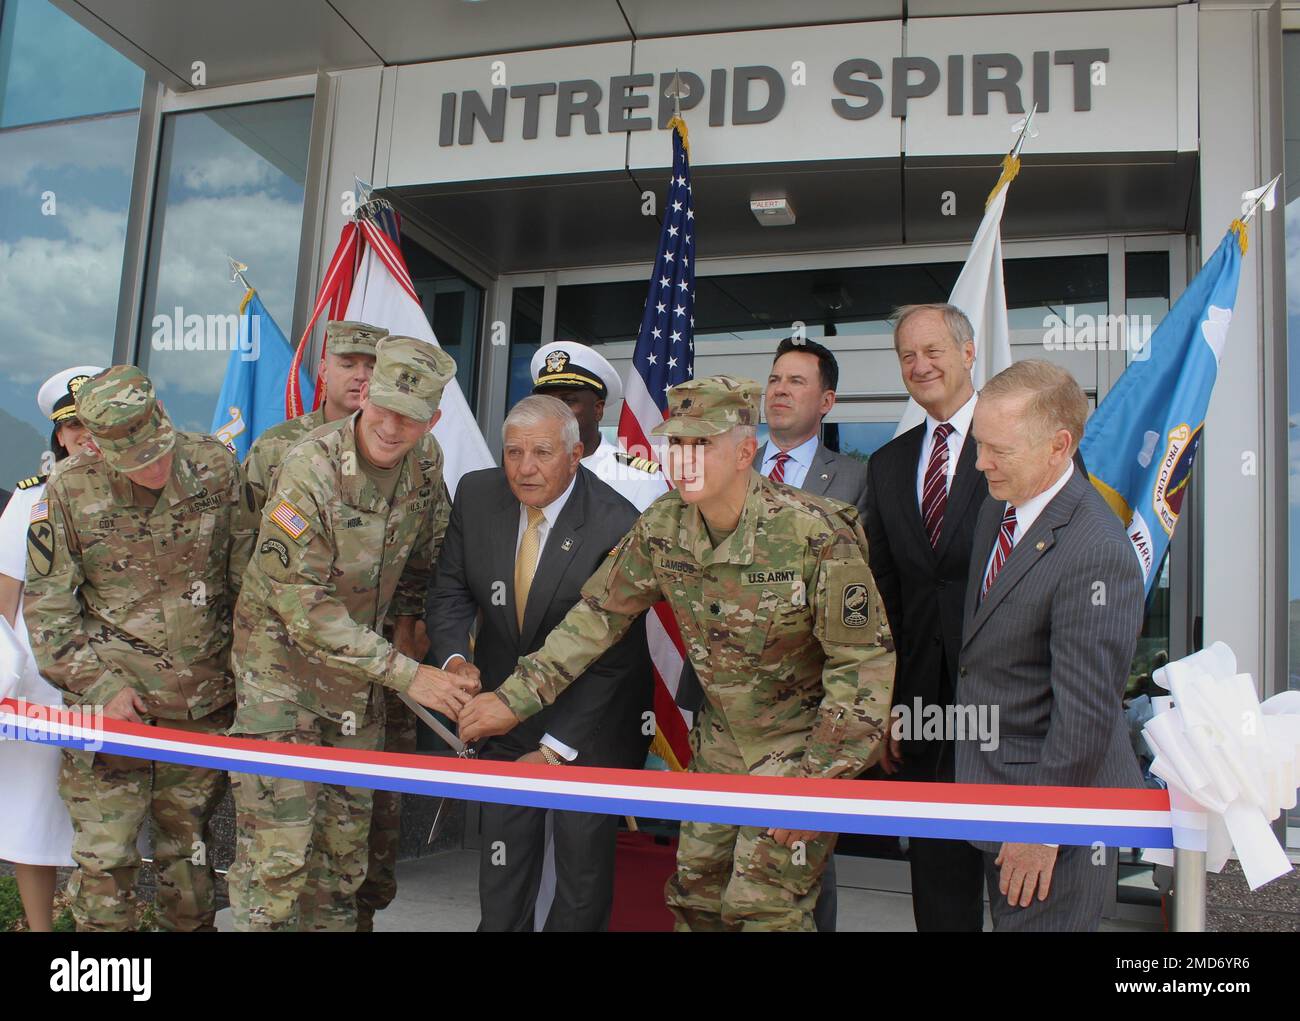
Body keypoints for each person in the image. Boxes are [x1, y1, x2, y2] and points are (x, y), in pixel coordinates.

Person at [459, 375, 894, 931]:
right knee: (697, 902)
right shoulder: (664, 525)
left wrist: (819, 784)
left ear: (744, 450)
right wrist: (514, 700)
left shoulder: (815, 533)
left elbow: (862, 666)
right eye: (676, 445)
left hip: (796, 754)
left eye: (702, 445)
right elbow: (597, 618)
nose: (684, 460)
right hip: (716, 751)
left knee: (764, 910)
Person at [226, 335, 475, 932]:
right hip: (280, 686)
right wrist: (408, 672)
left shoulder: (428, 460)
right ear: (364, 396)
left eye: (411, 418)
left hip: (357, 690)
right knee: (276, 870)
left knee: (342, 871)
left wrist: (438, 645)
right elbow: (299, 602)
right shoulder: (309, 465)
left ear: (433, 419)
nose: (392, 428)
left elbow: (427, 557)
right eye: (383, 409)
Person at [23, 366, 256, 931]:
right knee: (106, 866)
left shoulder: (215, 466)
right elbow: (48, 610)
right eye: (136, 461)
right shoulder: (69, 491)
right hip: (109, 713)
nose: (154, 470)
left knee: (190, 865)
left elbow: (252, 586)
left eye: (158, 452)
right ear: (98, 447)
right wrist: (103, 691)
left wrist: (252, 687)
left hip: (202, 709)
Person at [429, 394, 651, 930]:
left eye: (542, 453)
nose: (524, 468)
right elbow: (451, 589)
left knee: (579, 884)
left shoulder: (616, 523)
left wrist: (554, 752)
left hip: (590, 721)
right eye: (513, 452)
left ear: (575, 456)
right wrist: (457, 658)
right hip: (505, 711)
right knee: (504, 871)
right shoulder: (478, 494)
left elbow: (613, 656)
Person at [676, 335, 870, 930]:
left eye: (797, 382)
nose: (780, 391)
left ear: (828, 400)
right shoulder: (722, 464)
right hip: (721, 708)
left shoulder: (858, 479)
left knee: (786, 879)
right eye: (775, 380)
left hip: (804, 714)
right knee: (704, 882)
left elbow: (866, 611)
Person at [959, 359, 1144, 931]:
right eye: (978, 444)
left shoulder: (1096, 550)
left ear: (1059, 446)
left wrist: (1041, 828)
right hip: (999, 793)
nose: (981, 462)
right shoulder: (1000, 507)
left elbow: (1086, 712)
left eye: (999, 449)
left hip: (1052, 819)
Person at [863, 304, 987, 931]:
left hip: (1008, 709)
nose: (920, 365)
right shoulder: (887, 465)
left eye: (934, 350)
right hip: (924, 714)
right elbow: (883, 595)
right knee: (941, 894)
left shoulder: (1016, 440)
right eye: (908, 356)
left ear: (969, 352)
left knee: (1028, 888)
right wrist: (885, 704)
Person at [0, 366, 101, 931]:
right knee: (33, 817)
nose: (88, 437)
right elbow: (4, 601)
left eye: (98, 425)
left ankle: (99, 931)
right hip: (41, 686)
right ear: (59, 436)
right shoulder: (29, 503)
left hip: (114, 682)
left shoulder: (144, 496)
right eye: (75, 427)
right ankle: (42, 932)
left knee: (108, 822)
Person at [243, 319, 386, 512]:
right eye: (348, 365)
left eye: (372, 366)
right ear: (324, 371)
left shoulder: (395, 445)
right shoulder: (276, 444)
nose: (361, 375)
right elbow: (245, 528)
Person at [531, 340, 667, 513]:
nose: (554, 411)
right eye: (546, 401)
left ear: (598, 409)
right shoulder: (525, 471)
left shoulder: (640, 477)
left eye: (568, 400)